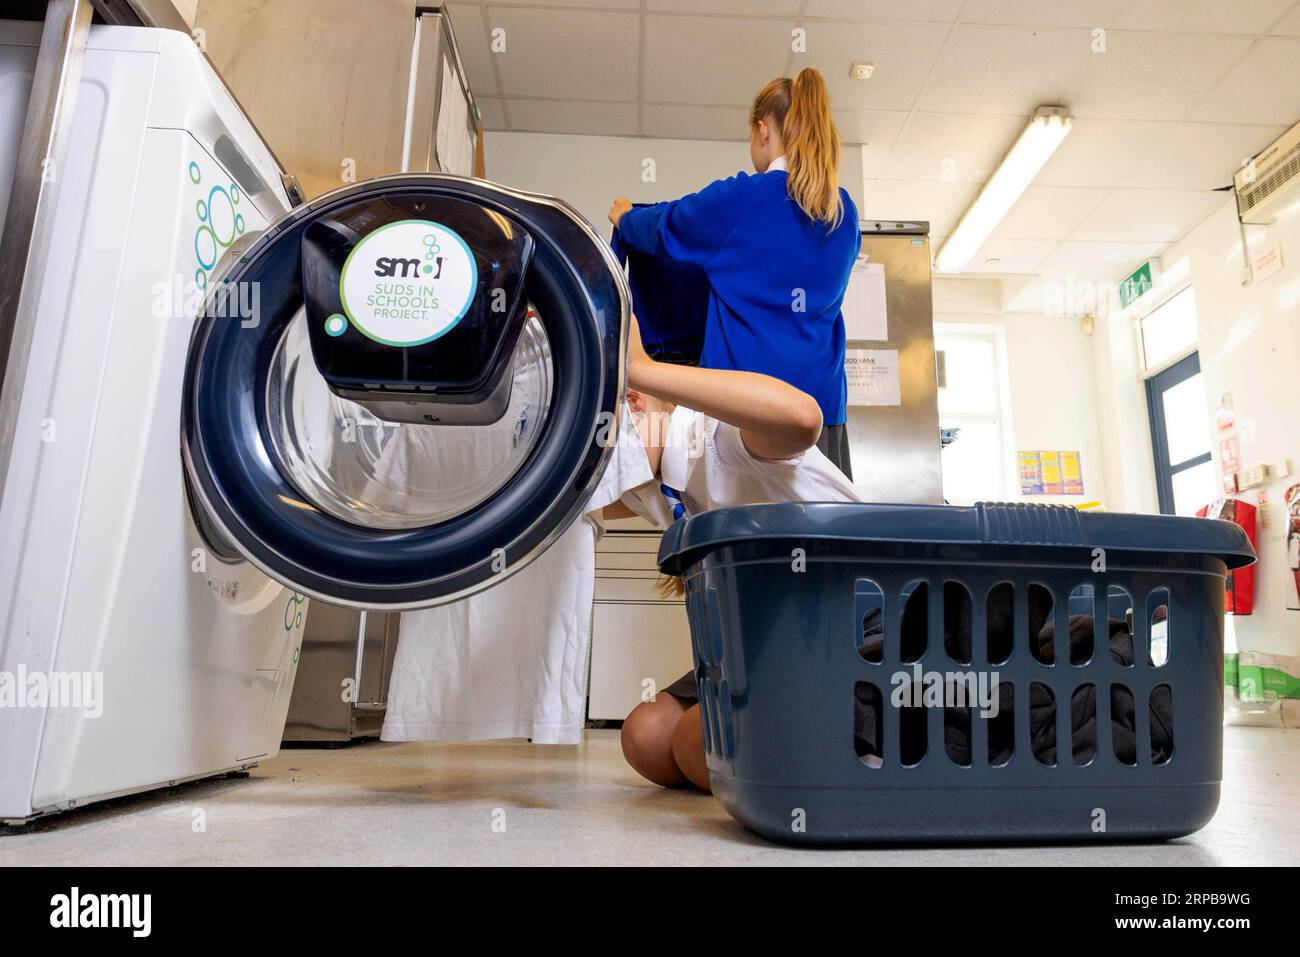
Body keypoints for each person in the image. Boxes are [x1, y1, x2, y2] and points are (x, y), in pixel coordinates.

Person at [607, 317, 864, 791]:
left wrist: (638, 368)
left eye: (599, 442)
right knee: (646, 736)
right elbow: (564, 500)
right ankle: (791, 750)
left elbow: (802, 418)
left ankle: (822, 757)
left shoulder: (719, 438)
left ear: (636, 403)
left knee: (696, 741)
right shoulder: (649, 482)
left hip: (850, 627)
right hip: (766, 645)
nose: (600, 465)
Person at [608, 67, 860, 479]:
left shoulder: (746, 198)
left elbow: (666, 226)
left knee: (742, 537)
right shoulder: (843, 212)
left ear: (763, 130)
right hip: (824, 415)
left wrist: (625, 217)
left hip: (745, 413)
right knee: (818, 535)